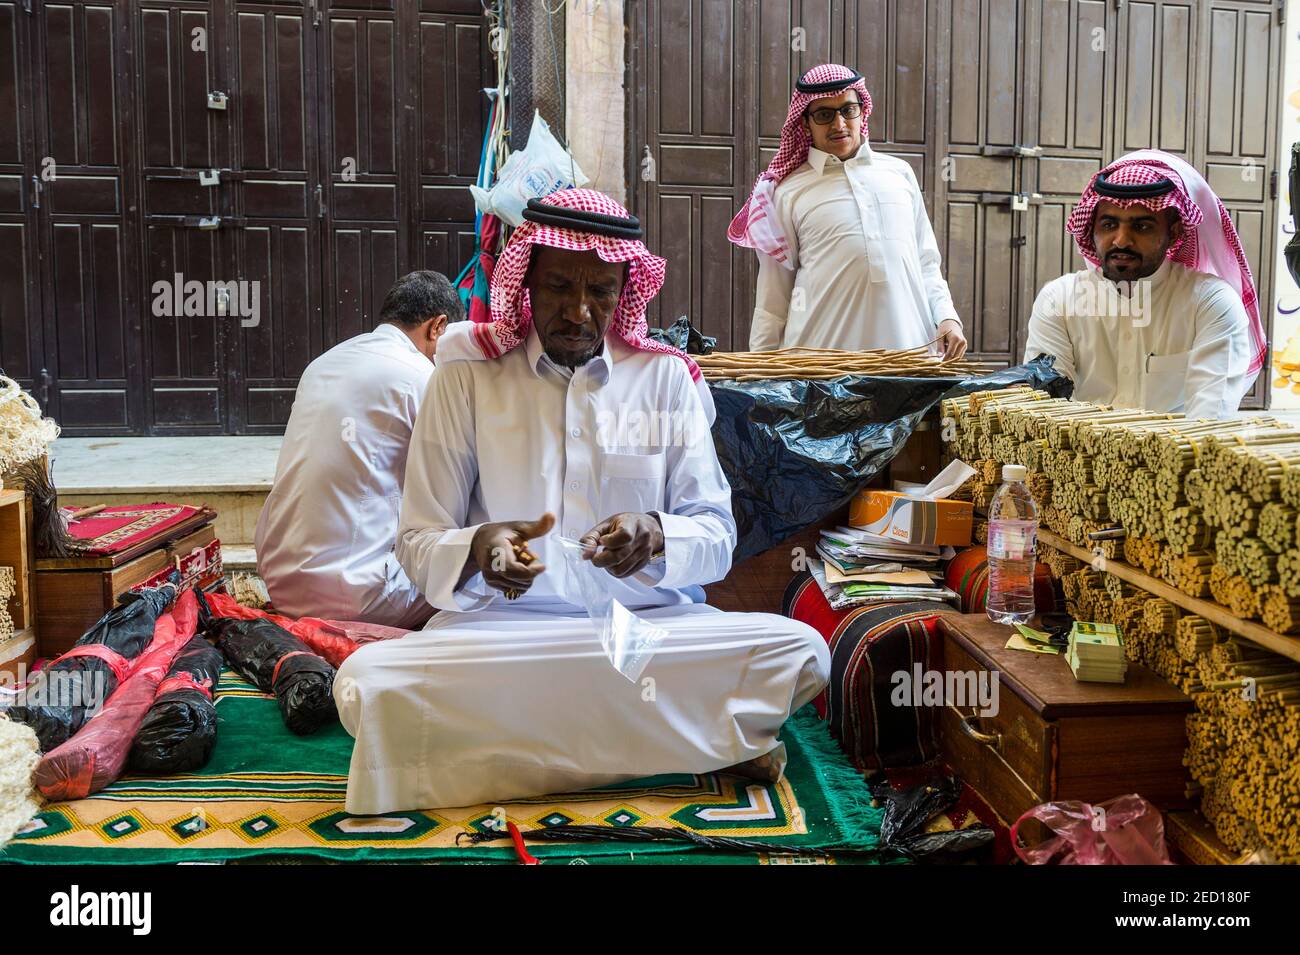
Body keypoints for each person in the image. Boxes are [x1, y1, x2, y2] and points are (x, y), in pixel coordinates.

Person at [333, 189, 829, 813]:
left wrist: (656, 532)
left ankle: (507, 756)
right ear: (526, 283)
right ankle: (696, 744)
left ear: (627, 292)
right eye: (560, 287)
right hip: (503, 637)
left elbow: (716, 535)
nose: (579, 310)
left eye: (601, 292)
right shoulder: (466, 378)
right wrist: (477, 550)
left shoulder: (664, 380)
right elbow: (418, 539)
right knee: (364, 684)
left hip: (645, 631)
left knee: (801, 651)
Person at [254, 270, 463, 629]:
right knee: (479, 567)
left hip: (280, 582)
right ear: (438, 327)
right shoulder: (422, 377)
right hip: (358, 596)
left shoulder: (322, 364)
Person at [728, 63, 967, 359]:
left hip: (909, 360)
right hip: (822, 372)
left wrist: (947, 316)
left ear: (863, 111)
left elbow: (926, 263)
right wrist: (761, 373)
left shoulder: (900, 174)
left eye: (848, 110)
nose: (839, 124)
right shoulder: (788, 192)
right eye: (824, 115)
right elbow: (772, 298)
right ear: (804, 123)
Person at [1024, 150, 1268, 419]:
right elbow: (1044, 407)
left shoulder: (1211, 302)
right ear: (1092, 228)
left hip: (1177, 456)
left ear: (1173, 231)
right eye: (1109, 224)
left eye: (1141, 227)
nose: (1121, 240)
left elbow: (1209, 419)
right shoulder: (1058, 299)